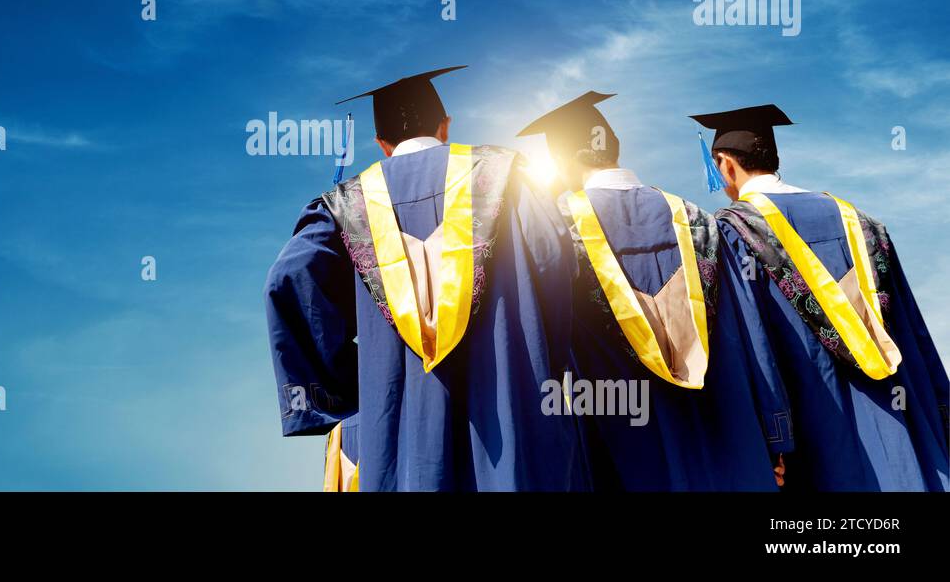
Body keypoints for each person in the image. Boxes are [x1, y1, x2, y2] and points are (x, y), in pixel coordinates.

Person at [265, 66, 589, 490]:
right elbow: (554, 261)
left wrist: (350, 384)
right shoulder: (508, 177)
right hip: (512, 415)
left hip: (400, 430)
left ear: (382, 144)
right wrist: (539, 353)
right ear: (445, 125)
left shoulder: (346, 206)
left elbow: (288, 280)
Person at [518, 91, 786, 490]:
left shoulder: (555, 229)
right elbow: (751, 336)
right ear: (615, 147)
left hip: (616, 441)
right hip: (724, 440)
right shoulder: (701, 221)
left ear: (562, 161)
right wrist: (774, 434)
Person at [694, 104, 949, 491]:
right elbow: (913, 334)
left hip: (813, 431)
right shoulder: (860, 223)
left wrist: (770, 441)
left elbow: (751, 344)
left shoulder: (733, 232)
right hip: (897, 423)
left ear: (726, 163)